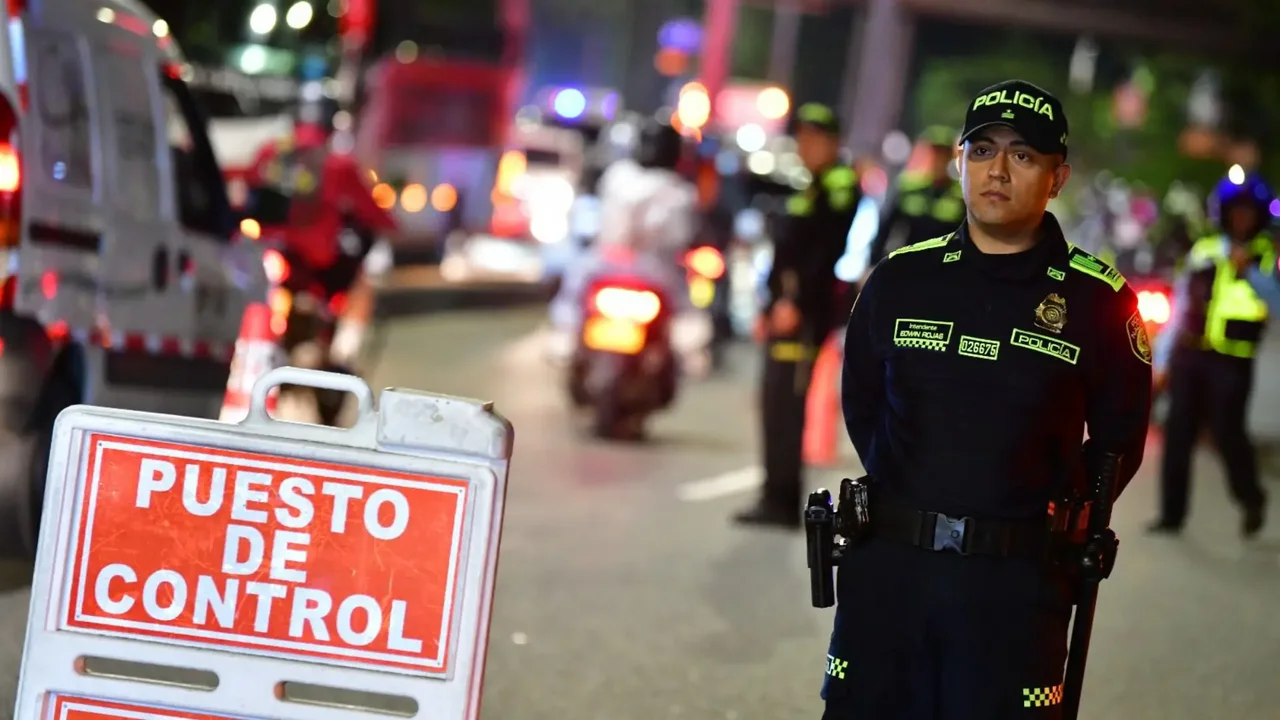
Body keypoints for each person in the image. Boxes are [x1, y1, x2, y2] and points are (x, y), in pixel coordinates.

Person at [827, 80, 1151, 719]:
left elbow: (1120, 439)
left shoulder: (1099, 301)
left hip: (1015, 593)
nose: (997, 170)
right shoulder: (900, 278)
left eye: (1022, 155)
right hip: (889, 580)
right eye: (982, 150)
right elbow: (863, 404)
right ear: (959, 162)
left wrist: (1046, 519)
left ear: (1057, 178)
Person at [735, 103, 859, 529]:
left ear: (832, 143)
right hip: (786, 309)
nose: (805, 147)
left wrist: (793, 302)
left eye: (813, 139)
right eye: (801, 138)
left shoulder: (837, 185)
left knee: (785, 404)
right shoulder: (811, 185)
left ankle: (782, 499)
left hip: (802, 315)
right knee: (775, 402)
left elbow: (822, 253)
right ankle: (774, 494)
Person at [1148, 170, 1279, 537]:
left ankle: (1251, 498)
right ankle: (1171, 516)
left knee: (1228, 433)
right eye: (1236, 212)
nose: (1241, 219)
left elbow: (1276, 303)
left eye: (1248, 212)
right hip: (1190, 354)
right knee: (1178, 431)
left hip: (1233, 360)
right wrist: (1163, 359)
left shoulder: (1267, 255)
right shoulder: (1205, 250)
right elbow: (1180, 304)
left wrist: (1250, 271)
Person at [546, 119, 699, 356]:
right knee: (687, 319)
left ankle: (565, 339)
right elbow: (680, 238)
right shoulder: (679, 191)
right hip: (652, 269)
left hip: (607, 263)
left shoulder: (618, 175)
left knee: (573, 292)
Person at [865, 125, 965, 267]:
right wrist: (874, 261)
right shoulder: (909, 189)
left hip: (942, 267)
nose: (939, 159)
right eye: (935, 153)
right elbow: (886, 227)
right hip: (907, 264)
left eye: (943, 154)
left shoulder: (959, 196)